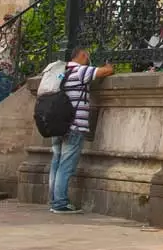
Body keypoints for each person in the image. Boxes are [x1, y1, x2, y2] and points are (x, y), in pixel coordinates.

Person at [36, 47, 114, 215]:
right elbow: (104, 72)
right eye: (87, 57)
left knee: (56, 164)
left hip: (57, 126)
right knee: (66, 166)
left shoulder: (61, 73)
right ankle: (60, 203)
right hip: (75, 126)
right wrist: (109, 66)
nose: (88, 60)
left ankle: (54, 199)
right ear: (83, 55)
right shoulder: (80, 71)